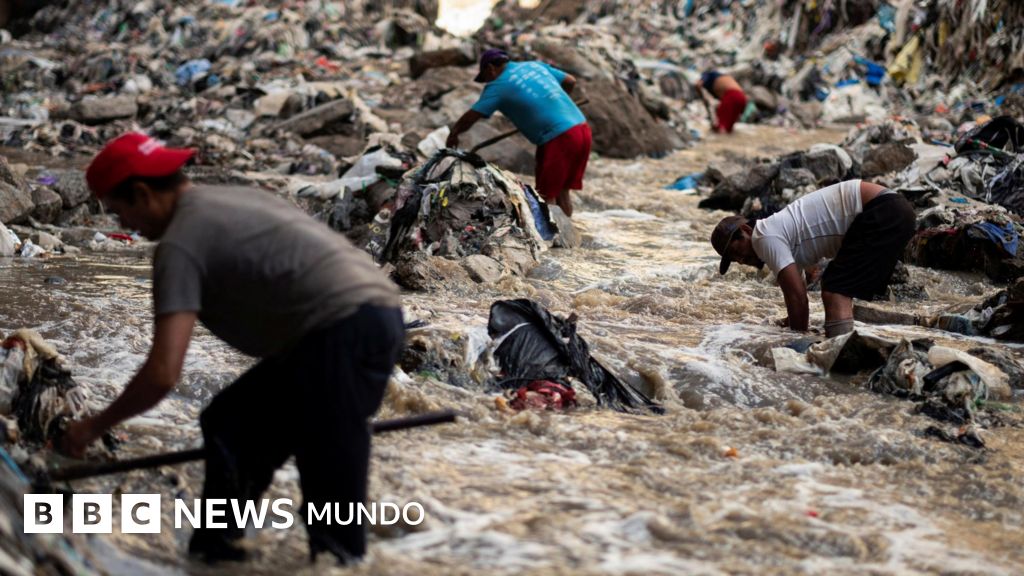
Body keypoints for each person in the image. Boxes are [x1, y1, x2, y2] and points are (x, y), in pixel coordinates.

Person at [61, 132, 405, 564]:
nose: (124, 226)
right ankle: (217, 554)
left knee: (329, 491)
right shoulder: (233, 200)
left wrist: (92, 427)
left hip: (341, 331)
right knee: (231, 427)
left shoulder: (181, 243)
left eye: (118, 211)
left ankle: (338, 563)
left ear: (143, 193)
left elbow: (163, 372)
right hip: (361, 321)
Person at [711, 180, 916, 337]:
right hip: (894, 211)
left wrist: (795, 343)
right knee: (838, 284)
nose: (739, 260)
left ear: (746, 230)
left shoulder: (764, 237)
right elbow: (799, 299)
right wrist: (782, 326)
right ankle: (844, 350)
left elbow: (798, 298)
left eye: (735, 250)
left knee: (835, 289)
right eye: (731, 259)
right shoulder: (781, 235)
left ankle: (839, 363)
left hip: (882, 210)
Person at [446, 49, 591, 218]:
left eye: (486, 77)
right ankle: (568, 240)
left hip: (558, 137)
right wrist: (554, 103)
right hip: (581, 128)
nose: (487, 82)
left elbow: (472, 116)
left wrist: (454, 133)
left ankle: (553, 238)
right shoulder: (534, 66)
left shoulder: (498, 85)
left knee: (546, 196)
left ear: (491, 68)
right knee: (562, 192)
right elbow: (570, 81)